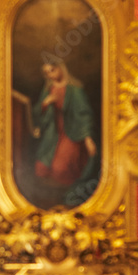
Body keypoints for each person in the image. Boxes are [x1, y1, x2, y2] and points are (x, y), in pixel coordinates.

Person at [32, 60, 98, 208]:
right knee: (40, 168)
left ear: (61, 68)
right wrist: (45, 104)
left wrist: (88, 139)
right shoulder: (48, 90)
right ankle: (51, 202)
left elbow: (84, 115)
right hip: (53, 135)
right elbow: (37, 113)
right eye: (47, 73)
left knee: (60, 170)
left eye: (52, 70)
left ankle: (67, 200)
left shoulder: (75, 90)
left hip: (71, 133)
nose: (50, 75)